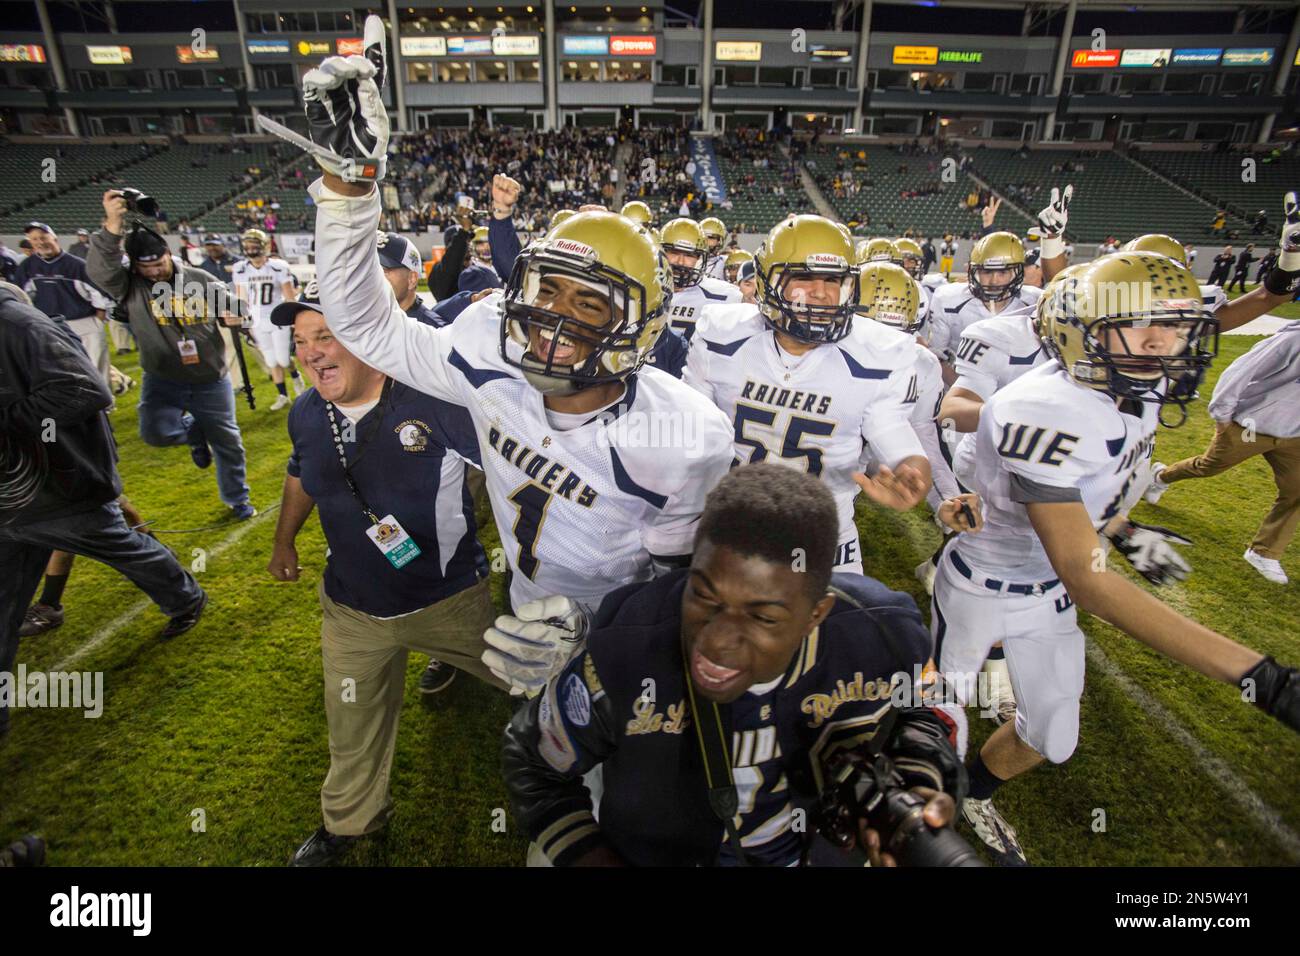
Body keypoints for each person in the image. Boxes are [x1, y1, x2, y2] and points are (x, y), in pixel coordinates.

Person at [938, 252, 1300, 865]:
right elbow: (1090, 581)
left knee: (1052, 737)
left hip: (1046, 592)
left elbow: (1093, 491)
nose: (1168, 342)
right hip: (984, 586)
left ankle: (972, 794)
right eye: (1142, 325)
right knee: (935, 719)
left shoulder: (1135, 387)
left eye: (1177, 324)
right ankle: (923, 817)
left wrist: (1127, 532)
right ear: (1084, 333)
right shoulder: (1045, 409)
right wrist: (1264, 679)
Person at [501, 464, 968, 867]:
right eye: (704, 594)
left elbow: (929, 710)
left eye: (763, 616)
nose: (717, 642)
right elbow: (533, 759)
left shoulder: (884, 633)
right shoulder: (627, 650)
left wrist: (916, 778)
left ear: (816, 614)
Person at [266, 284, 505, 866]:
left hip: (450, 603)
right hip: (353, 608)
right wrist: (283, 540)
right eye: (300, 341)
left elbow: (514, 475)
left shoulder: (437, 403)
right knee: (350, 722)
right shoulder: (307, 410)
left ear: (367, 335)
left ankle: (590, 776)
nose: (312, 352)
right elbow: (301, 474)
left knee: (541, 684)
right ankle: (350, 822)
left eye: (325, 336)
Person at [0, 281, 207, 739]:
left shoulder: (18, 324)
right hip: (12, 498)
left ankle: (185, 597)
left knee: (126, 549)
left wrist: (8, 419)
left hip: (59, 486)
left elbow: (84, 390)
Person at [684, 215, 934, 575]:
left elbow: (895, 437)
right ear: (768, 281)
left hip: (825, 538)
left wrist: (913, 474)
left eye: (833, 280)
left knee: (835, 630)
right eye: (803, 277)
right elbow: (693, 431)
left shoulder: (880, 354)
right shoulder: (721, 336)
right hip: (730, 523)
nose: (821, 292)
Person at [86, 190, 256, 520]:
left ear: (168, 254)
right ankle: (194, 432)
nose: (154, 272)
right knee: (155, 432)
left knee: (228, 442)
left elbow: (235, 307)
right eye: (145, 267)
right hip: (162, 378)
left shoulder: (198, 278)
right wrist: (112, 224)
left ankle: (238, 501)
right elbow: (98, 269)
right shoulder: (129, 285)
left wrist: (236, 313)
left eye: (159, 263)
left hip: (210, 377)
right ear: (134, 266)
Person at [1146, 324, 1300, 584]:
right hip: (1251, 425)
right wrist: (1223, 416)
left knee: (1297, 491)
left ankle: (1264, 552)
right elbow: (1240, 371)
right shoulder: (1293, 340)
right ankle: (1161, 476)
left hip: (1294, 434)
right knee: (1209, 466)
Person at [12, 221, 113, 389]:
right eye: (35, 239)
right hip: (49, 324)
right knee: (63, 368)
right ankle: (80, 403)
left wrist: (99, 318)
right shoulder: (27, 267)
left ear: (54, 238)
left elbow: (98, 293)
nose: (40, 242)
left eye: (43, 237)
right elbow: (21, 297)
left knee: (96, 364)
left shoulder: (76, 264)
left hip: (84, 321)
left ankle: (105, 404)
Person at [231, 228, 303, 410]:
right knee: (271, 361)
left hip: (277, 317)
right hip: (257, 321)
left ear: (263, 246)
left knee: (284, 360)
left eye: (254, 245)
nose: (250, 249)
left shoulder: (278, 266)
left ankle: (296, 378)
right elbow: (242, 298)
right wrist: (245, 323)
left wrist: (294, 319)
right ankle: (282, 395)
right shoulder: (240, 269)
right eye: (247, 245)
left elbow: (288, 296)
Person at [658, 217, 741, 341]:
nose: (680, 262)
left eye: (689, 255)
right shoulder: (641, 291)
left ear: (699, 258)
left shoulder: (726, 296)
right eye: (674, 252)